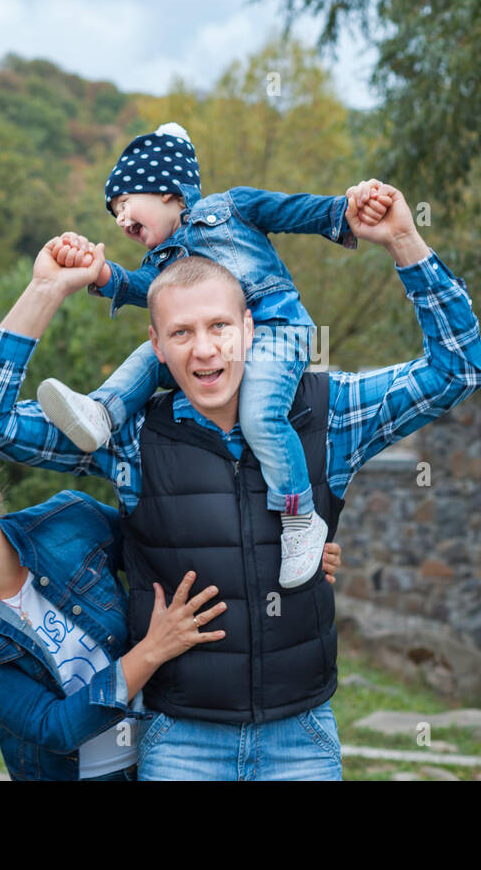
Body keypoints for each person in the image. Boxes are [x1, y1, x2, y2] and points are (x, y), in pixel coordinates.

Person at [0, 181, 481, 780]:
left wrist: (403, 240)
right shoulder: (129, 438)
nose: (204, 351)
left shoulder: (328, 413)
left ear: (250, 327)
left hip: (301, 738)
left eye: (218, 327)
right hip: (182, 740)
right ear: (155, 343)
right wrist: (46, 289)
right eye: (181, 333)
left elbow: (460, 365)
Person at [35, 122, 390, 590]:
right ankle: (102, 411)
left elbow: (294, 210)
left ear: (167, 193)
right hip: (212, 350)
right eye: (114, 214)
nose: (120, 220)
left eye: (124, 204)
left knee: (261, 415)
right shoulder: (161, 260)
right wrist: (101, 274)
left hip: (274, 332)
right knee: (154, 350)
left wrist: (349, 208)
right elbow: (143, 289)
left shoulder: (231, 208)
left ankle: (299, 517)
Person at [0, 434, 345, 780]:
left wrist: (289, 556)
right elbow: (53, 727)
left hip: (169, 748)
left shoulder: (69, 521)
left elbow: (174, 555)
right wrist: (152, 650)